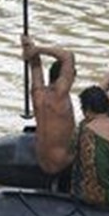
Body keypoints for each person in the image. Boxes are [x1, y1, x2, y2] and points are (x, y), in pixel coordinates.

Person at [21, 35, 76, 175]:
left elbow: (35, 66)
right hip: (62, 163)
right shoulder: (60, 94)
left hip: (43, 162)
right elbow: (68, 56)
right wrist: (38, 49)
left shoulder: (37, 93)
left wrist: (29, 48)